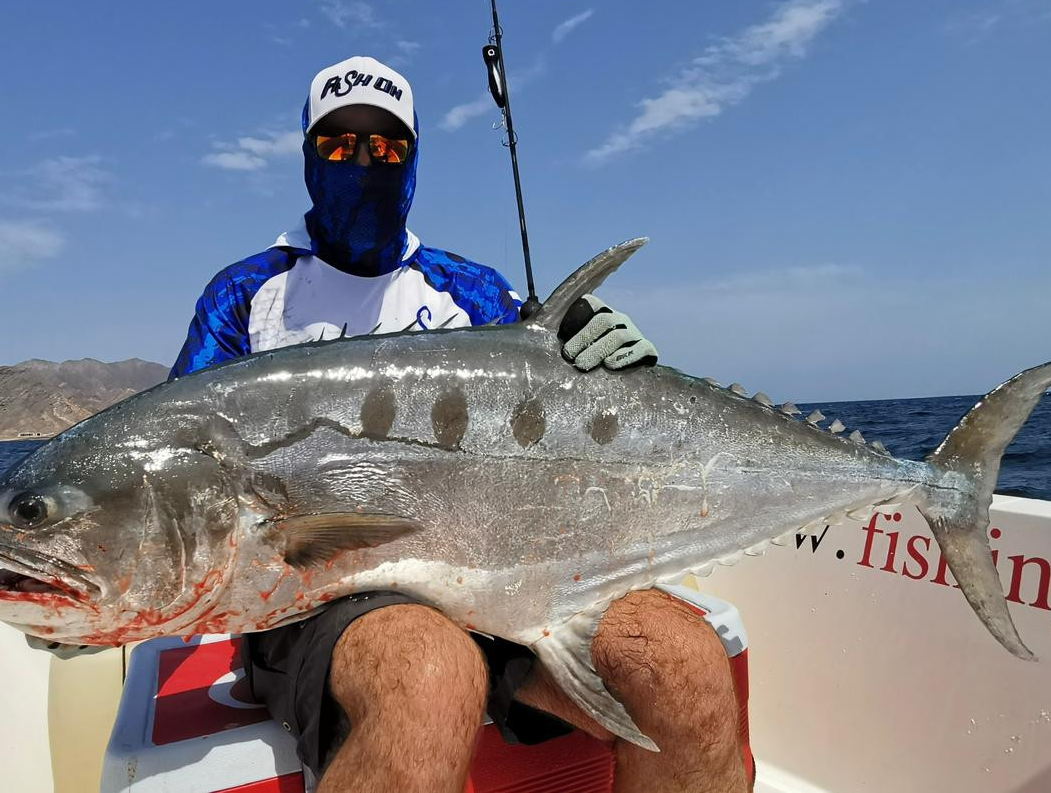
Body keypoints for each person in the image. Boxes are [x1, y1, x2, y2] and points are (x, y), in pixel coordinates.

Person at [171, 56, 749, 792]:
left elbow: (555, 396)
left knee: (680, 662)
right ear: (308, 156)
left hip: (499, 575)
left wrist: (598, 353)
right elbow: (183, 469)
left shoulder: (471, 291)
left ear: (412, 159)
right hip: (309, 600)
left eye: (385, 148)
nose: (362, 162)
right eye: (339, 145)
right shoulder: (247, 296)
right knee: (426, 671)